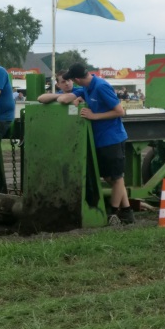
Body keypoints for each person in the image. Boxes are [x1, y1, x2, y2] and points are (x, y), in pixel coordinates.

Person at [59, 63, 134, 225]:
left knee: (116, 177)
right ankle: (127, 211)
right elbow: (64, 98)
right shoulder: (87, 87)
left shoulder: (101, 86)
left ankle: (113, 213)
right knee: (110, 177)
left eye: (72, 80)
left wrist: (94, 116)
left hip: (112, 138)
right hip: (100, 139)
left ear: (77, 79)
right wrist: (78, 99)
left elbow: (119, 111)